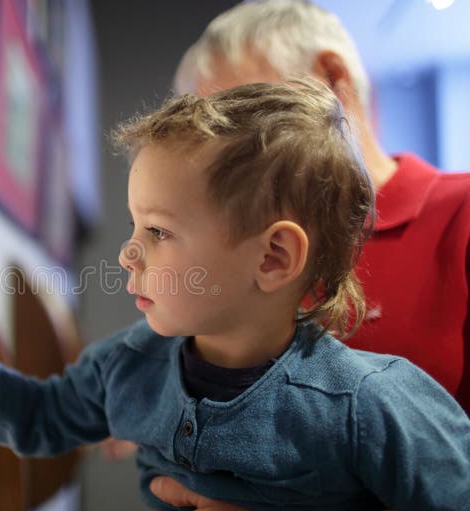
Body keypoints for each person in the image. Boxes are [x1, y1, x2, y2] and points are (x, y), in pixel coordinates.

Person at [0, 79, 470, 511]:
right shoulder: (128, 364)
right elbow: (43, 416)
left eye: (157, 231)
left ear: (273, 258)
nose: (127, 254)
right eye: (134, 226)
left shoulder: (368, 404)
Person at [174, 0, 470, 417]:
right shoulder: (244, 252)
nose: (228, 166)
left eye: (250, 122)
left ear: (332, 79)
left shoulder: (462, 214)